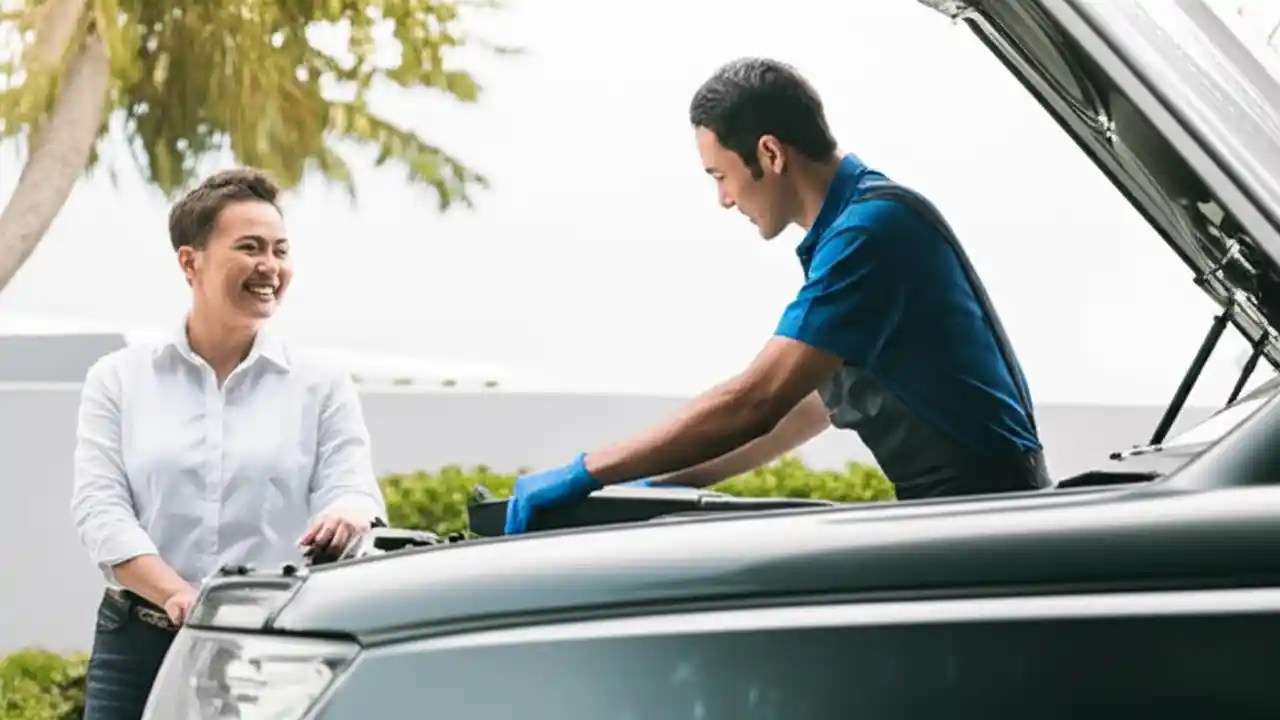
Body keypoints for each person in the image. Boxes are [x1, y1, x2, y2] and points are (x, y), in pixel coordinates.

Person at [503, 57, 1051, 535]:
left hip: (983, 522)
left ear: (770, 154)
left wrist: (587, 469)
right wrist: (648, 484)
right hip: (968, 518)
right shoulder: (857, 225)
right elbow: (801, 408)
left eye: (720, 175)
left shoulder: (870, 232)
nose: (721, 199)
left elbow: (758, 400)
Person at [71, 167, 387, 719]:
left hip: (274, 644)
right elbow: (102, 513)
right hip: (139, 644)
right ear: (190, 262)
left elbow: (353, 488)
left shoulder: (321, 382)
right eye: (249, 247)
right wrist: (178, 596)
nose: (271, 266)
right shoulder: (117, 379)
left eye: (280, 250)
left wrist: (347, 515)